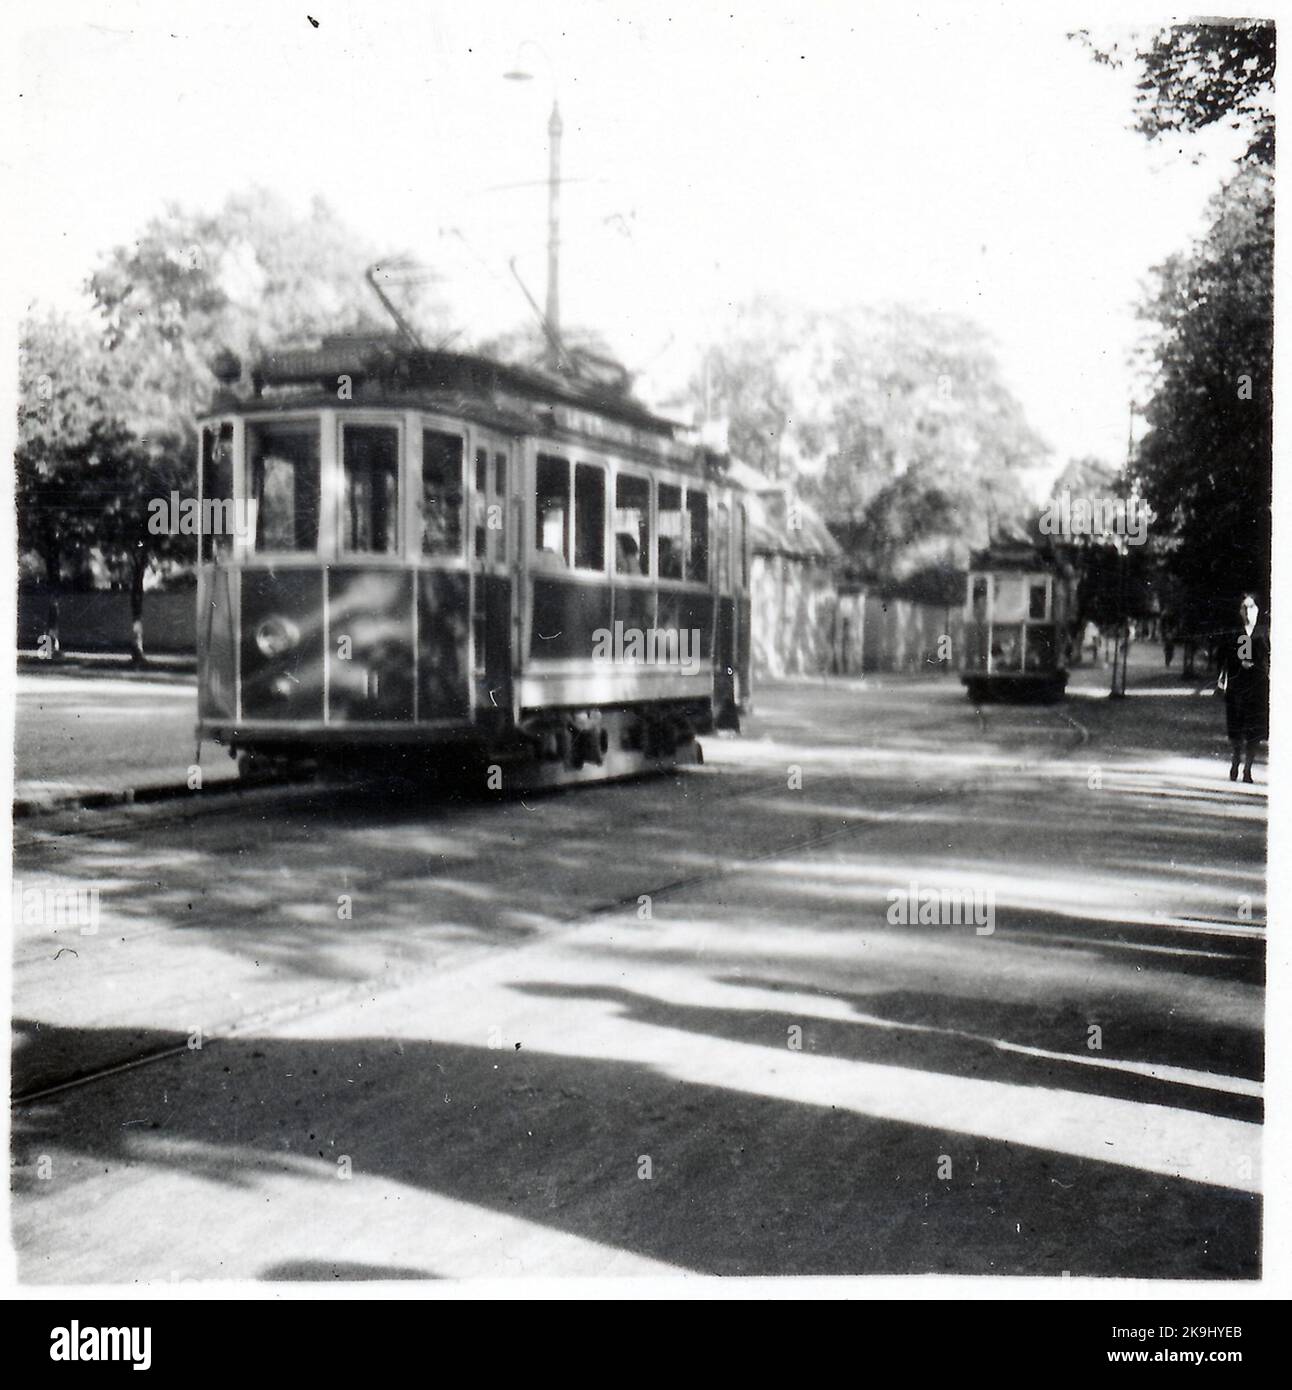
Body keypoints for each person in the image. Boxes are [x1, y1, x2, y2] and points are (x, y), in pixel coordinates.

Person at [1215, 593, 1269, 783]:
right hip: (1238, 687)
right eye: (1244, 607)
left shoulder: (1264, 633)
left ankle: (1248, 769)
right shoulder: (1236, 633)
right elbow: (1227, 658)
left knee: (1254, 730)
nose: (1247, 611)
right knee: (1237, 727)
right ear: (1239, 610)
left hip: (1258, 688)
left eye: (1251, 607)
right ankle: (1236, 759)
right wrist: (1223, 676)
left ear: (1258, 609)